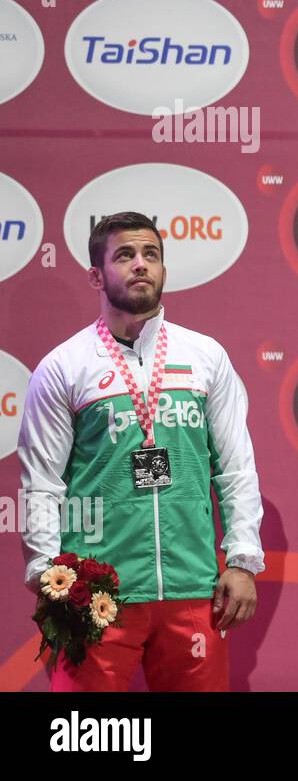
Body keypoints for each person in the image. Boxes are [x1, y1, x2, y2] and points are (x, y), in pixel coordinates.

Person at [18, 212, 265, 691]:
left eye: (151, 255)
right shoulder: (64, 367)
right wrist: (48, 577)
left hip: (193, 587)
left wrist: (240, 560)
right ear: (96, 274)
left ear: (164, 271)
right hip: (96, 592)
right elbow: (42, 482)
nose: (140, 265)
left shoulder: (205, 357)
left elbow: (235, 467)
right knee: (87, 743)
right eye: (125, 255)